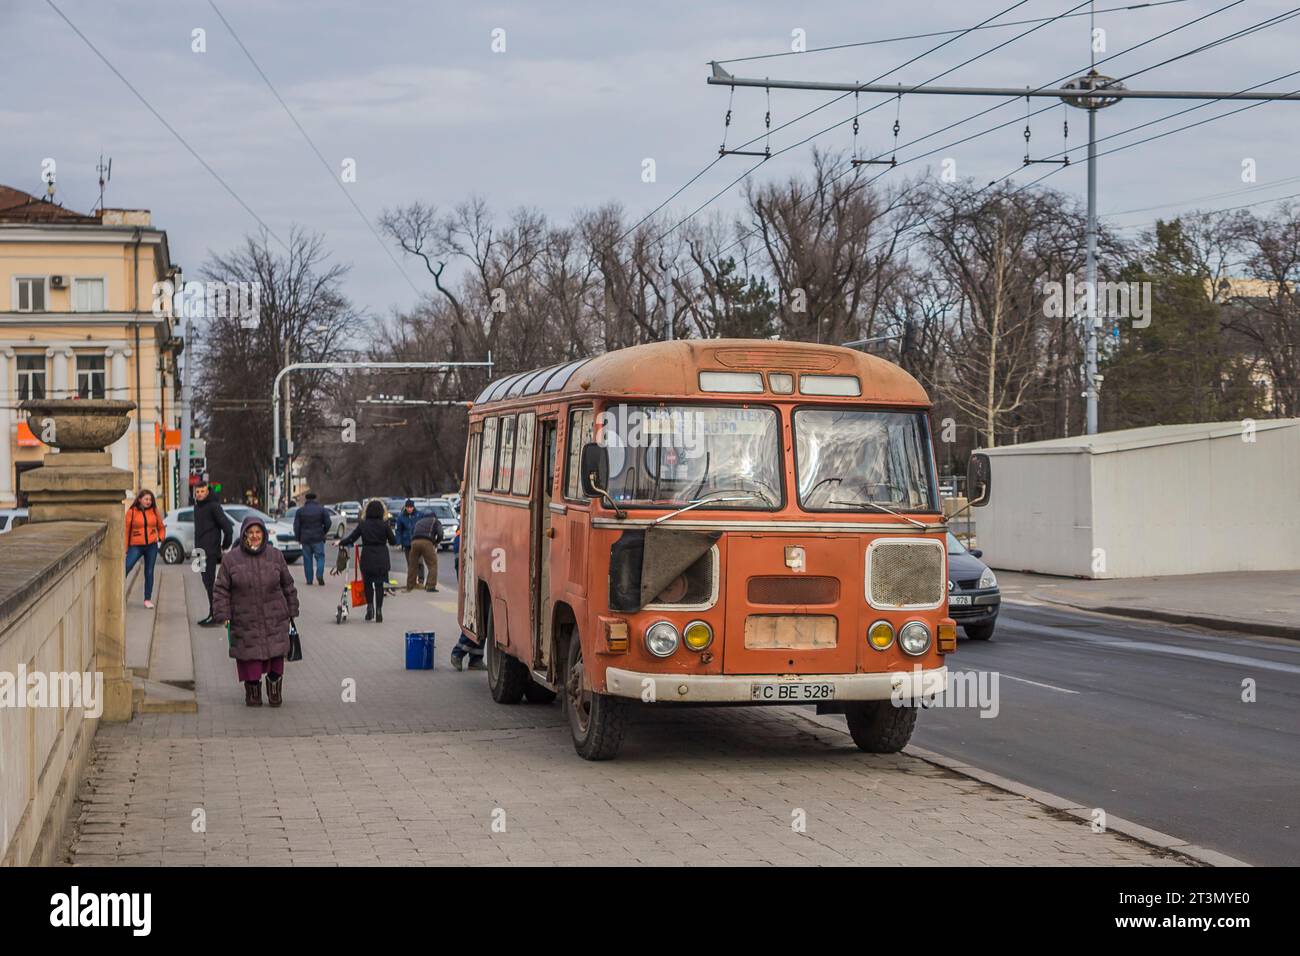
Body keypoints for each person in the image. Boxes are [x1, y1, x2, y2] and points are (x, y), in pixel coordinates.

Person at [212, 515, 300, 707]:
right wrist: (223, 614)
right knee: (250, 659)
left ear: (264, 534)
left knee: (276, 657)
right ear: (244, 535)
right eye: (250, 532)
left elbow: (288, 584)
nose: (254, 536)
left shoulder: (275, 555)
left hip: (274, 617)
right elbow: (221, 589)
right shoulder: (231, 559)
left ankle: (275, 692)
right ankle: (253, 693)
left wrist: (292, 608)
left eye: (258, 532)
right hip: (245, 619)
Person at [340, 499, 396, 623]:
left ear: (368, 511)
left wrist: (340, 542)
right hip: (382, 557)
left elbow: (351, 538)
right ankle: (379, 611)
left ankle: (370, 607)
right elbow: (393, 541)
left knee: (368, 583)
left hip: (368, 557)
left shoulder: (363, 524)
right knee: (380, 584)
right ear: (381, 511)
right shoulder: (384, 525)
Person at [193, 482, 234, 626]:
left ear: (208, 492)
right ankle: (213, 613)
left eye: (202, 491)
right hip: (199, 550)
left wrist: (225, 546)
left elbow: (228, 528)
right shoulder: (197, 506)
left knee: (210, 583)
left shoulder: (214, 506)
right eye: (197, 491)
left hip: (209, 550)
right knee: (205, 581)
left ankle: (215, 615)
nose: (199, 494)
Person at [124, 489, 164, 609]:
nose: (149, 501)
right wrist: (125, 548)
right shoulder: (132, 512)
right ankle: (119, 594)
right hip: (135, 545)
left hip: (151, 546)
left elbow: (161, 527)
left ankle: (147, 599)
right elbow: (126, 531)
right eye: (146, 499)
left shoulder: (154, 511)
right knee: (126, 567)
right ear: (140, 499)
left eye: (150, 499)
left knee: (149, 572)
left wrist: (160, 537)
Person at [292, 491, 332, 587]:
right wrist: (323, 532)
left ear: (306, 499)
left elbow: (296, 526)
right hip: (318, 538)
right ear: (315, 499)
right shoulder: (322, 510)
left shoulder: (300, 511)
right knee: (320, 557)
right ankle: (319, 574)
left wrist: (298, 537)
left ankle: (309, 580)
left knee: (307, 560)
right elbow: (328, 523)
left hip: (305, 539)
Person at [405, 509, 442, 592]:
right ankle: (430, 586)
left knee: (413, 565)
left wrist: (413, 540)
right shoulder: (435, 521)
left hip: (414, 542)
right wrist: (436, 542)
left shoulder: (418, 522)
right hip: (427, 542)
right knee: (432, 564)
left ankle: (410, 585)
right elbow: (440, 533)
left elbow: (411, 531)